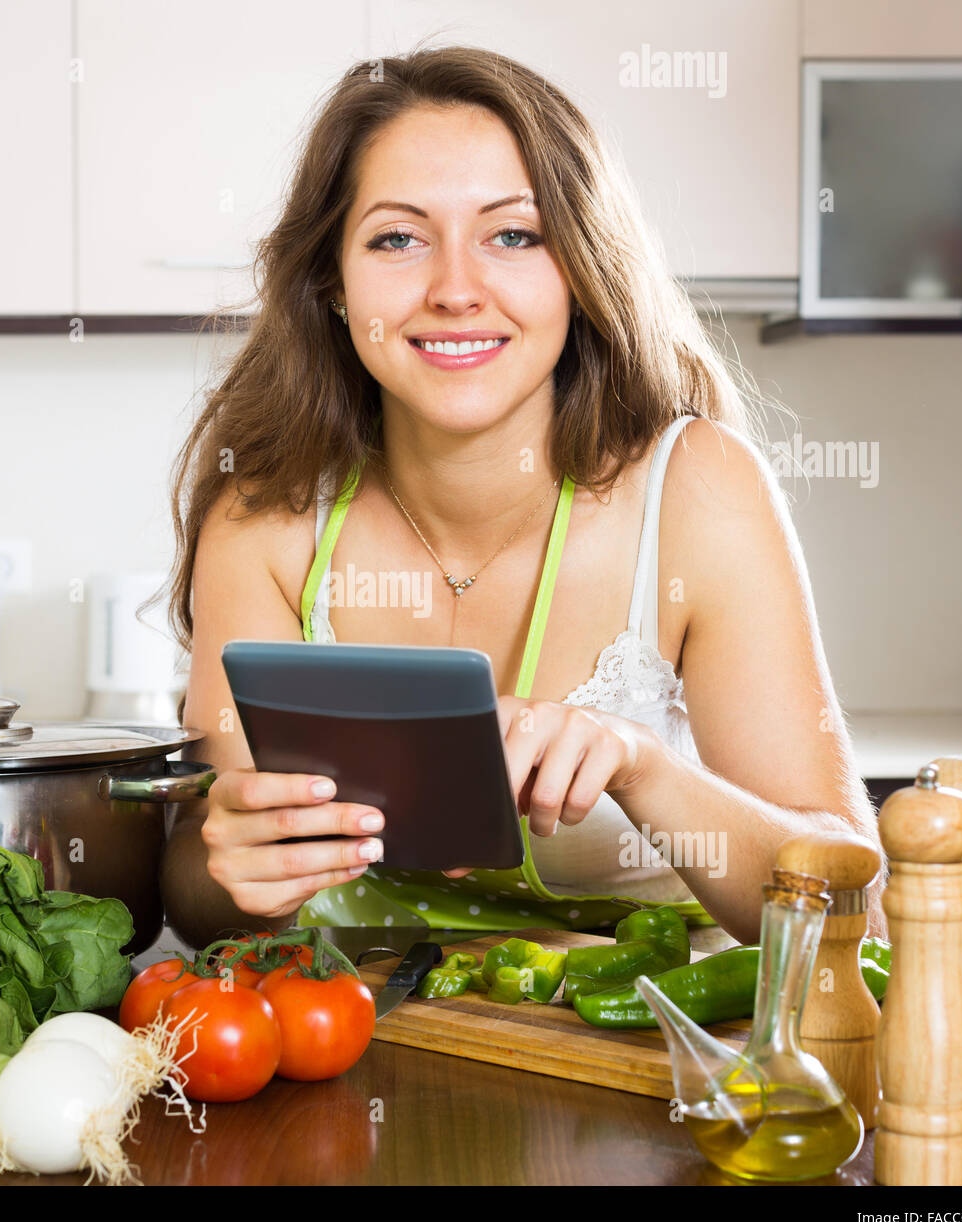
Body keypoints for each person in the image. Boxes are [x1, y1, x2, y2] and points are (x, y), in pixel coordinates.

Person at [154, 45, 882, 951]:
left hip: (657, 1062)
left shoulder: (700, 492)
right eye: (397, 238)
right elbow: (198, 888)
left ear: (578, 269)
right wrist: (233, 861)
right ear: (332, 285)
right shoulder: (266, 516)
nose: (457, 290)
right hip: (369, 1055)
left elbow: (859, 908)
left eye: (513, 235)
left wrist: (644, 768)